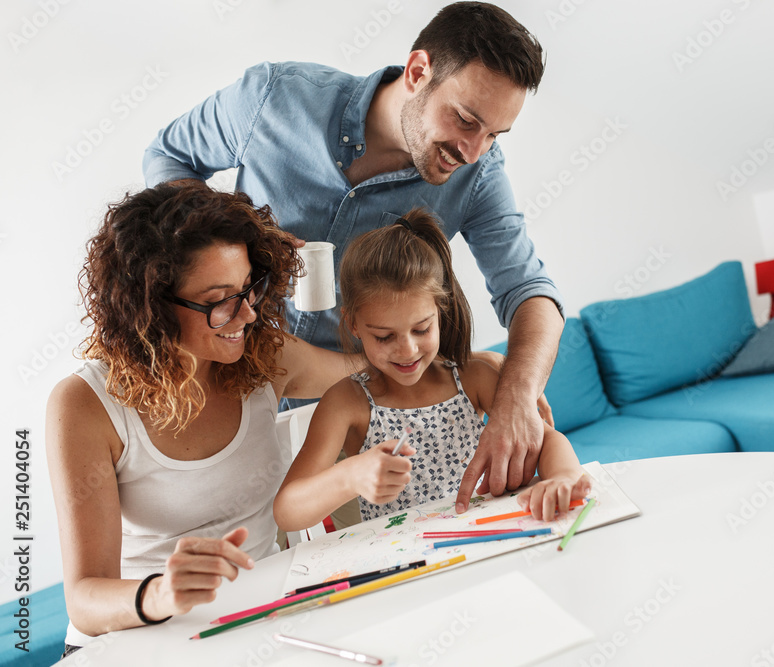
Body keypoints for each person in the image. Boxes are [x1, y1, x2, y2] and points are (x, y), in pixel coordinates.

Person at [142, 2, 565, 513]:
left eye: (494, 134)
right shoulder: (274, 97)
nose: (473, 151)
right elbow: (167, 154)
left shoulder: (478, 174)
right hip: (224, 388)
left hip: (348, 419)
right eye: (466, 120)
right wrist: (239, 230)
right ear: (417, 72)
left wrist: (517, 397)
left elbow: (529, 291)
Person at [46, 184, 357, 653]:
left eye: (249, 286)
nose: (249, 314)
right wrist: (162, 593)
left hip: (252, 626)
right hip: (133, 640)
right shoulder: (85, 404)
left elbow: (378, 375)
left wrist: (488, 367)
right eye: (220, 299)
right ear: (151, 308)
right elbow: (85, 601)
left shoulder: (268, 358)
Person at [273, 209, 589, 531]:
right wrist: (350, 476)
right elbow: (287, 510)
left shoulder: (475, 379)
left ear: (440, 311)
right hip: (405, 568)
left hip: (485, 541)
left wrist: (564, 477)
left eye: (421, 329)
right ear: (353, 324)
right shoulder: (345, 403)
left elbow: (546, 440)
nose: (407, 350)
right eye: (384, 336)